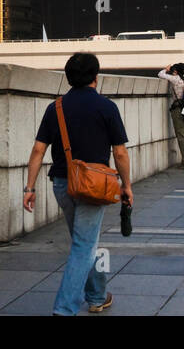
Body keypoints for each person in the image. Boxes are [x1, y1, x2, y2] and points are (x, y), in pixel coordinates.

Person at [24, 52, 132, 316]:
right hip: (94, 185)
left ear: (69, 78)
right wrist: (126, 186)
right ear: (96, 77)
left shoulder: (56, 108)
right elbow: (120, 153)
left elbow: (38, 150)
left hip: (62, 184)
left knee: (84, 242)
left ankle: (96, 297)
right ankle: (64, 308)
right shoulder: (107, 107)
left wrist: (29, 187)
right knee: (84, 245)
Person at [159, 62, 184, 169]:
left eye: (174, 70)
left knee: (183, 136)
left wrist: (166, 69)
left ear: (176, 71)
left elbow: (160, 74)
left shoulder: (176, 79)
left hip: (180, 109)